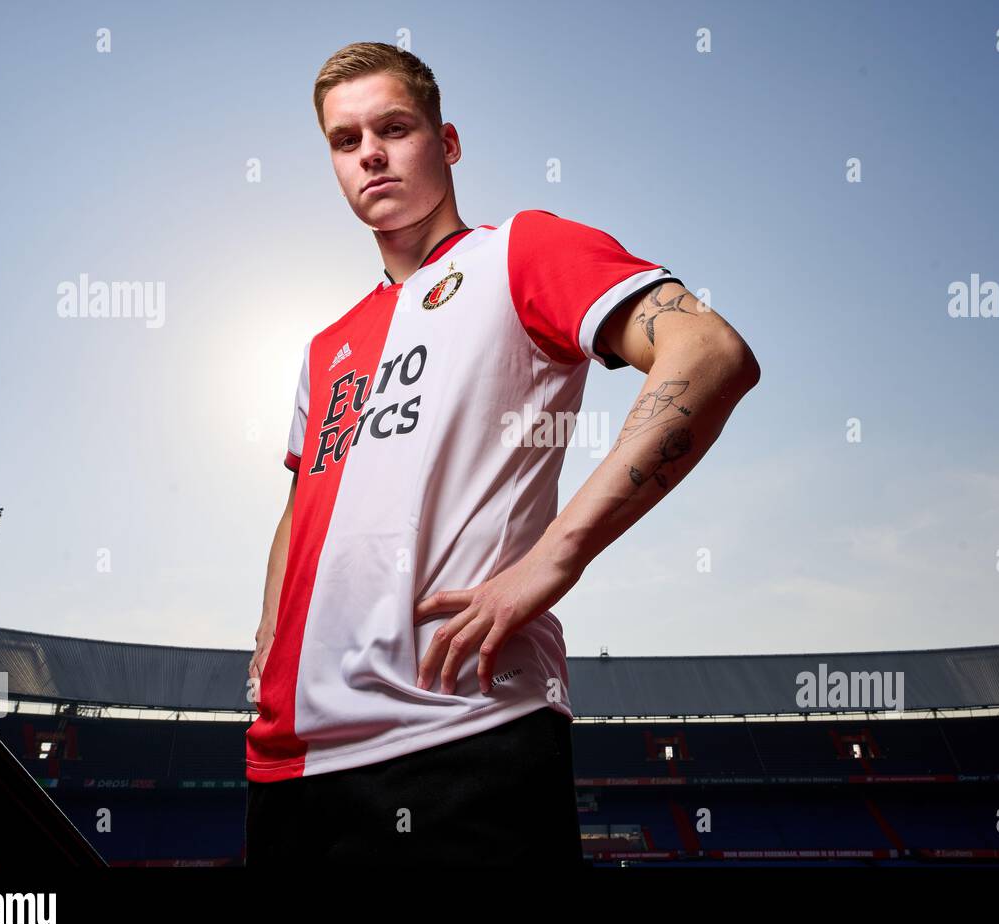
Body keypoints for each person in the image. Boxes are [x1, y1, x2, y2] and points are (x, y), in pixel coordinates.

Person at [243, 41, 760, 867]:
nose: (370, 152)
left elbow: (709, 354)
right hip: (293, 759)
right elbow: (302, 503)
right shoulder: (323, 348)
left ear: (446, 143)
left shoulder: (520, 252)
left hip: (461, 730)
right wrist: (269, 638)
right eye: (346, 141)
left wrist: (555, 560)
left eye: (394, 127)